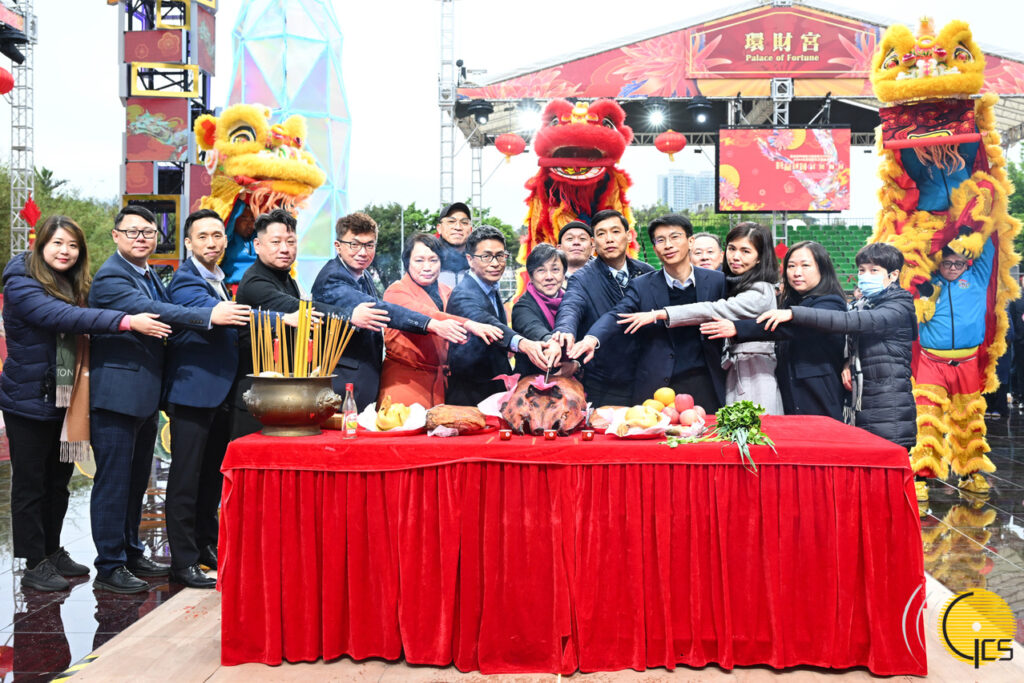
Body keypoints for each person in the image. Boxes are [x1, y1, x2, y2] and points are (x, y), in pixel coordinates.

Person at [0, 216, 170, 592]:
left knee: (58, 480)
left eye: (73, 245)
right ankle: (34, 562)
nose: (65, 251)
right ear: (41, 245)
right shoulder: (21, 279)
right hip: (28, 397)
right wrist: (127, 321)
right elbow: (61, 317)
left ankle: (52, 549)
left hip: (66, 395)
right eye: (58, 243)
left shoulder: (72, 281)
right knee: (31, 483)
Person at [88, 205, 249, 593]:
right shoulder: (111, 276)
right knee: (114, 482)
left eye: (148, 232)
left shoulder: (148, 275)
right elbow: (156, 310)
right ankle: (109, 565)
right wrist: (209, 315)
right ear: (116, 235)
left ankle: (130, 552)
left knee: (134, 482)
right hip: (117, 394)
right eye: (132, 231)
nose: (141, 238)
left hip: (145, 393)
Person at [754, 243, 918, 491]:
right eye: (862, 270)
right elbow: (856, 342)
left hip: (888, 405)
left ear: (893, 275)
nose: (865, 276)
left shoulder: (898, 306)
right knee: (863, 481)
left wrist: (795, 314)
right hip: (861, 402)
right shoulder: (865, 303)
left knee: (886, 481)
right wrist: (847, 361)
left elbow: (852, 322)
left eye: (874, 270)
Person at [615, 222, 783, 413]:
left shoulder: (761, 290)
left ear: (760, 257)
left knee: (756, 425)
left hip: (754, 373)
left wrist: (661, 313)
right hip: (734, 372)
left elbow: (715, 309)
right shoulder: (732, 283)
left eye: (745, 251)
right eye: (732, 249)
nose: (736, 257)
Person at [568, 214, 727, 410]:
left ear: (691, 241)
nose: (668, 245)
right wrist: (592, 338)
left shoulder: (717, 281)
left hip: (706, 383)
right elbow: (617, 314)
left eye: (675, 237)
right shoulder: (642, 285)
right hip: (657, 388)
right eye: (660, 240)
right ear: (654, 248)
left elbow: (737, 313)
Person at [311, 213, 470, 409]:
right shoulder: (332, 277)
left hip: (369, 375)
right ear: (338, 246)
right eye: (354, 245)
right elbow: (380, 309)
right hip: (345, 379)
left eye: (369, 245)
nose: (363, 252)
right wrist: (432, 324)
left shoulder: (363, 274)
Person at [162, 209, 239, 588]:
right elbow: (220, 315)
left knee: (210, 477)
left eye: (217, 235)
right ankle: (183, 560)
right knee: (185, 479)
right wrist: (281, 319)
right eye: (203, 236)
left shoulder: (219, 279)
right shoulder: (186, 281)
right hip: (191, 394)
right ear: (189, 243)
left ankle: (206, 544)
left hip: (219, 394)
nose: (211, 243)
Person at [700, 241, 847, 420]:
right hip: (790, 392)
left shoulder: (831, 303)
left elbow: (794, 327)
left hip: (819, 394)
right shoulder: (788, 302)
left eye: (805, 265)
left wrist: (737, 328)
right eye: (791, 266)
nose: (797, 272)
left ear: (822, 269)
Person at [909, 235, 1000, 495]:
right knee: (927, 420)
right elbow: (915, 252)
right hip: (931, 363)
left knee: (968, 421)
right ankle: (920, 478)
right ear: (939, 263)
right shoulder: (926, 282)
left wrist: (972, 228)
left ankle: (971, 474)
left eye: (958, 263)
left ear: (967, 263)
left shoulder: (978, 278)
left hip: (967, 363)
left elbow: (987, 245)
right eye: (947, 263)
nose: (952, 268)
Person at [378, 234, 503, 406]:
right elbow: (425, 313)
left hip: (443, 385)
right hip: (405, 382)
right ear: (407, 262)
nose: (427, 267)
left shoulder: (447, 291)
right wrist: (468, 324)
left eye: (433, 260)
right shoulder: (395, 291)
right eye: (419, 260)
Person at [550, 210, 655, 407]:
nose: (609, 239)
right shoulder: (582, 278)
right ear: (593, 242)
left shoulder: (647, 273)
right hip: (605, 382)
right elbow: (570, 306)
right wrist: (564, 330)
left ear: (628, 236)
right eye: (601, 234)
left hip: (647, 377)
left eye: (615, 231)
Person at [446, 226, 551, 405]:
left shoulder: (490, 287)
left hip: (495, 391)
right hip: (470, 396)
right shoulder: (463, 295)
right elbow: (489, 323)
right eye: (486, 257)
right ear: (470, 260)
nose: (495, 263)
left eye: (500, 256)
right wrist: (524, 344)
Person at [511, 244, 579, 377]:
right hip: (533, 381)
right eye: (541, 270)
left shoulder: (572, 301)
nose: (549, 277)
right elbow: (533, 327)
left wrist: (576, 365)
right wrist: (550, 341)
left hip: (572, 381)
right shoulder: (522, 306)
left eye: (555, 269)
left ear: (564, 274)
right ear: (531, 276)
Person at [435, 202, 473, 288]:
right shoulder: (427, 260)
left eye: (464, 222)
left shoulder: (477, 262)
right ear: (439, 228)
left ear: (470, 230)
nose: (458, 227)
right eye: (451, 221)